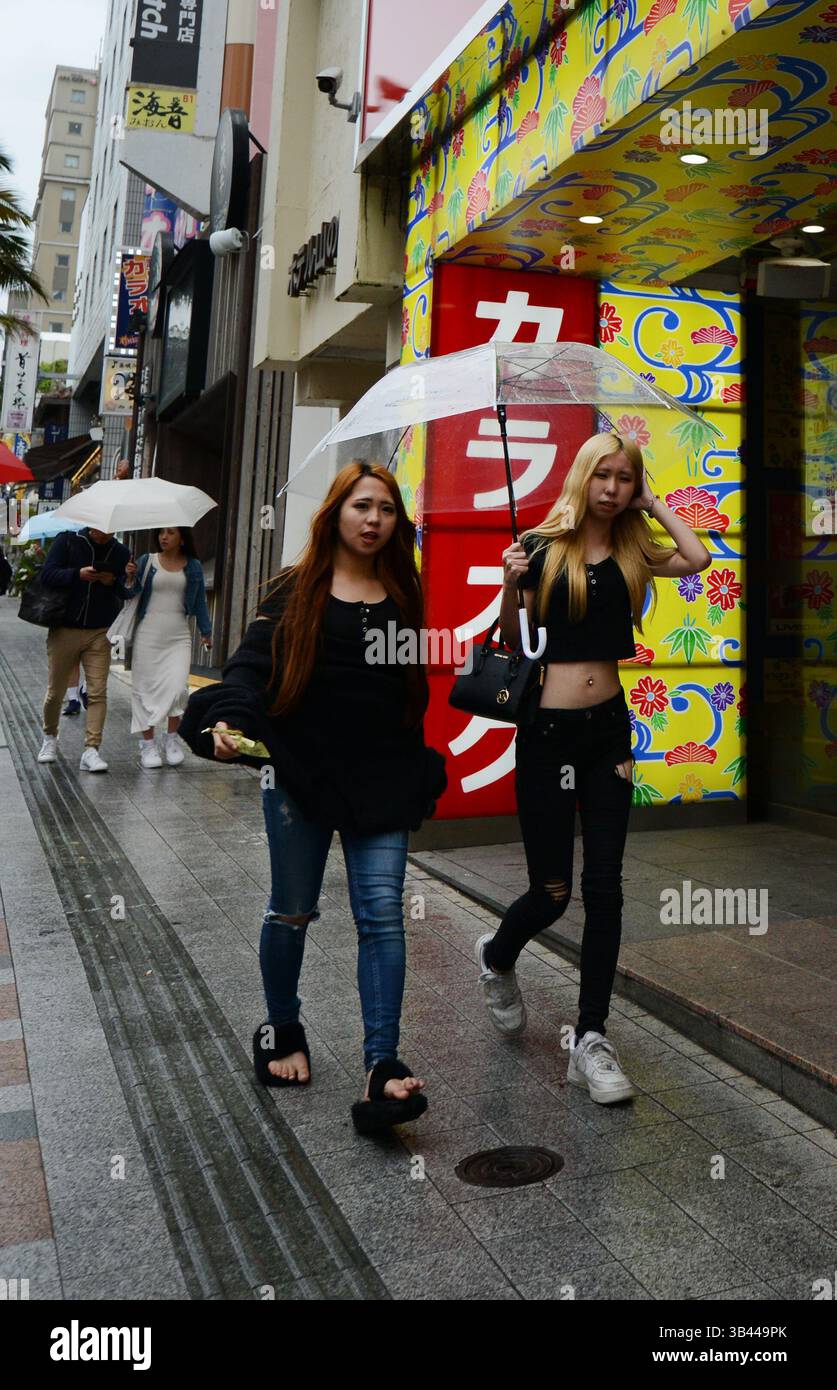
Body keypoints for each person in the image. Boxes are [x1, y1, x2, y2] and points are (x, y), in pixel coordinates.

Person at [178, 462, 446, 1135]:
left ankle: (382, 1065)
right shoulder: (295, 591)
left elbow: (404, 690)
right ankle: (281, 1027)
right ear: (335, 514)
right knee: (292, 910)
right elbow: (246, 670)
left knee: (382, 914)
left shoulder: (403, 594)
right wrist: (228, 722)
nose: (373, 519)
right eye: (361, 506)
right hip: (299, 773)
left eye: (385, 509)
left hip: (381, 776)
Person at [474, 432, 712, 1104]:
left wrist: (655, 502)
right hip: (546, 735)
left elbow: (695, 558)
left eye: (623, 477)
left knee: (603, 886)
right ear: (583, 478)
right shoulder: (544, 548)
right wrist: (508, 582)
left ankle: (590, 1039)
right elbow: (511, 638)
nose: (611, 488)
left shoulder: (634, 547)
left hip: (608, 733)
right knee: (550, 893)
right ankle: (496, 955)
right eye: (602, 476)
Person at [37, 526, 134, 772]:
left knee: (97, 692)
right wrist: (76, 574)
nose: (102, 533)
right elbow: (47, 574)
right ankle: (50, 737)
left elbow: (125, 592)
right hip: (65, 627)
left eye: (109, 530)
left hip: (100, 631)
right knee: (55, 692)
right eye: (98, 528)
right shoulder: (68, 541)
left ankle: (91, 750)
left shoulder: (121, 552)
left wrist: (119, 580)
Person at [126, 527, 211, 768]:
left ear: (182, 538)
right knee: (144, 689)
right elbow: (129, 593)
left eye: (170, 533)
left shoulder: (192, 566)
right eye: (161, 533)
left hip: (178, 636)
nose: (164, 537)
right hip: (148, 634)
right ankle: (148, 745)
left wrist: (206, 631)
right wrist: (131, 577)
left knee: (177, 688)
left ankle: (171, 740)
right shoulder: (147, 562)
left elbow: (200, 603)